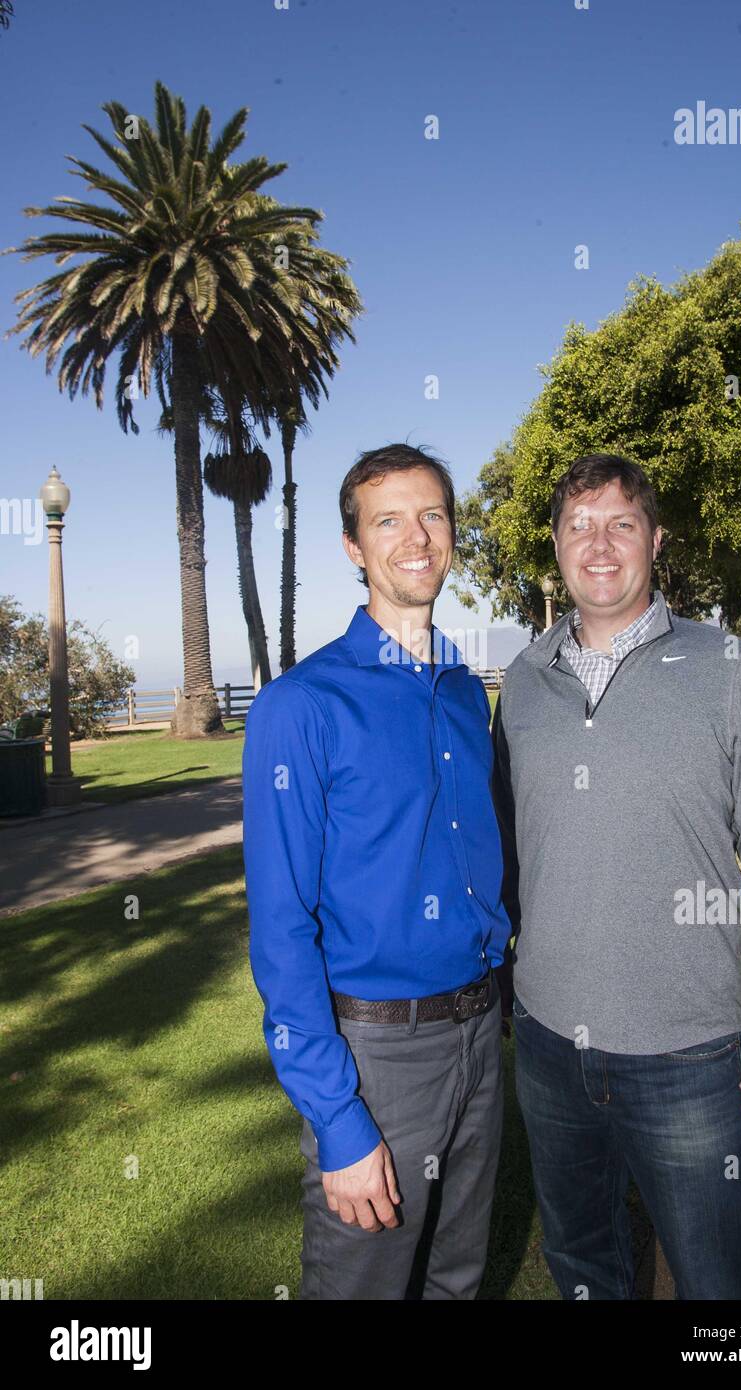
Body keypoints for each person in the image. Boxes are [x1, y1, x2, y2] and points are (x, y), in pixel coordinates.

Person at [492, 452, 741, 1301]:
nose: (599, 545)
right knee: (584, 1270)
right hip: (550, 1044)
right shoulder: (525, 683)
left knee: (722, 1283)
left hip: (693, 1055)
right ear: (557, 547)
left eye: (621, 525)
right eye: (579, 527)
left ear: (656, 541)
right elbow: (507, 848)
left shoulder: (727, 669)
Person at [243, 443, 511, 1300]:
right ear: (355, 550)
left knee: (455, 1282)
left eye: (432, 514)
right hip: (378, 1057)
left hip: (481, 1037)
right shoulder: (302, 707)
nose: (415, 537)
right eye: (387, 520)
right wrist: (337, 1118)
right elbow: (281, 930)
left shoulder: (467, 693)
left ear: (452, 535)